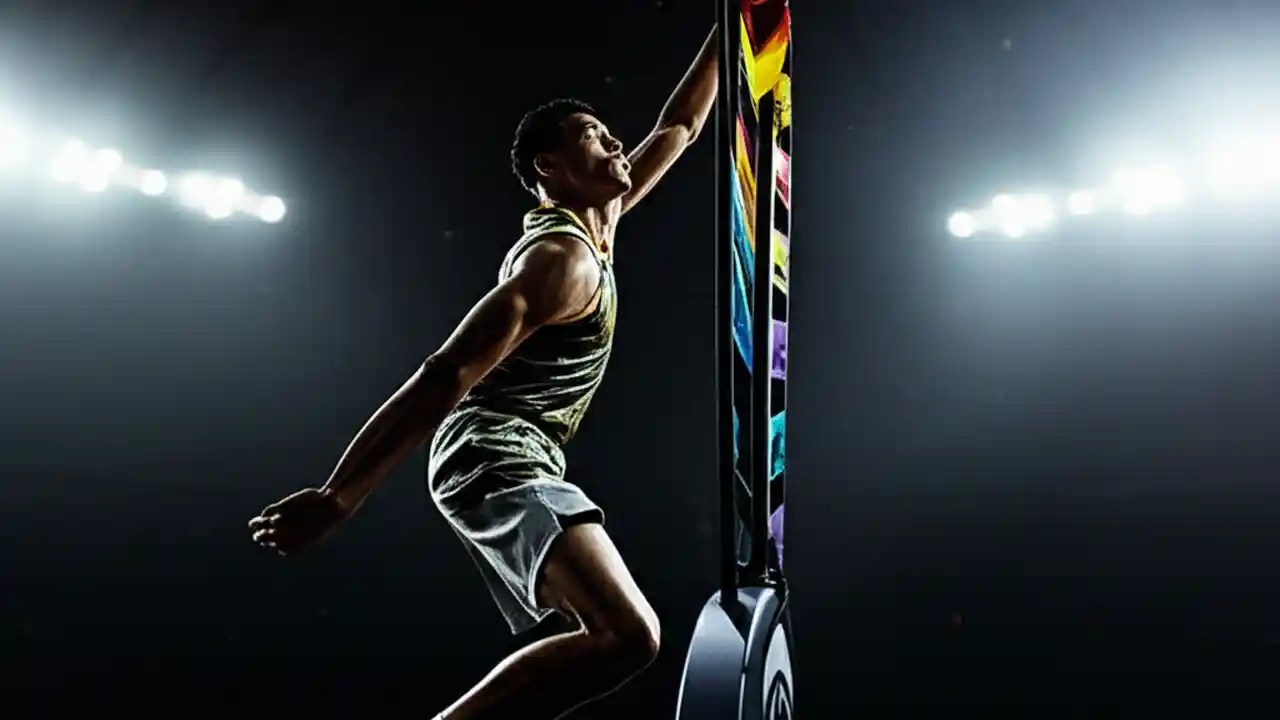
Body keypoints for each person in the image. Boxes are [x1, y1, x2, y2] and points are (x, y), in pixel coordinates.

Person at [248, 24, 719, 719]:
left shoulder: (602, 222)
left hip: (523, 453)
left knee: (607, 640)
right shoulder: (559, 261)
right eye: (593, 134)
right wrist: (338, 496)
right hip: (490, 450)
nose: (617, 142)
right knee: (628, 635)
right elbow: (445, 375)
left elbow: (678, 125)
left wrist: (734, 28)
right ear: (549, 168)